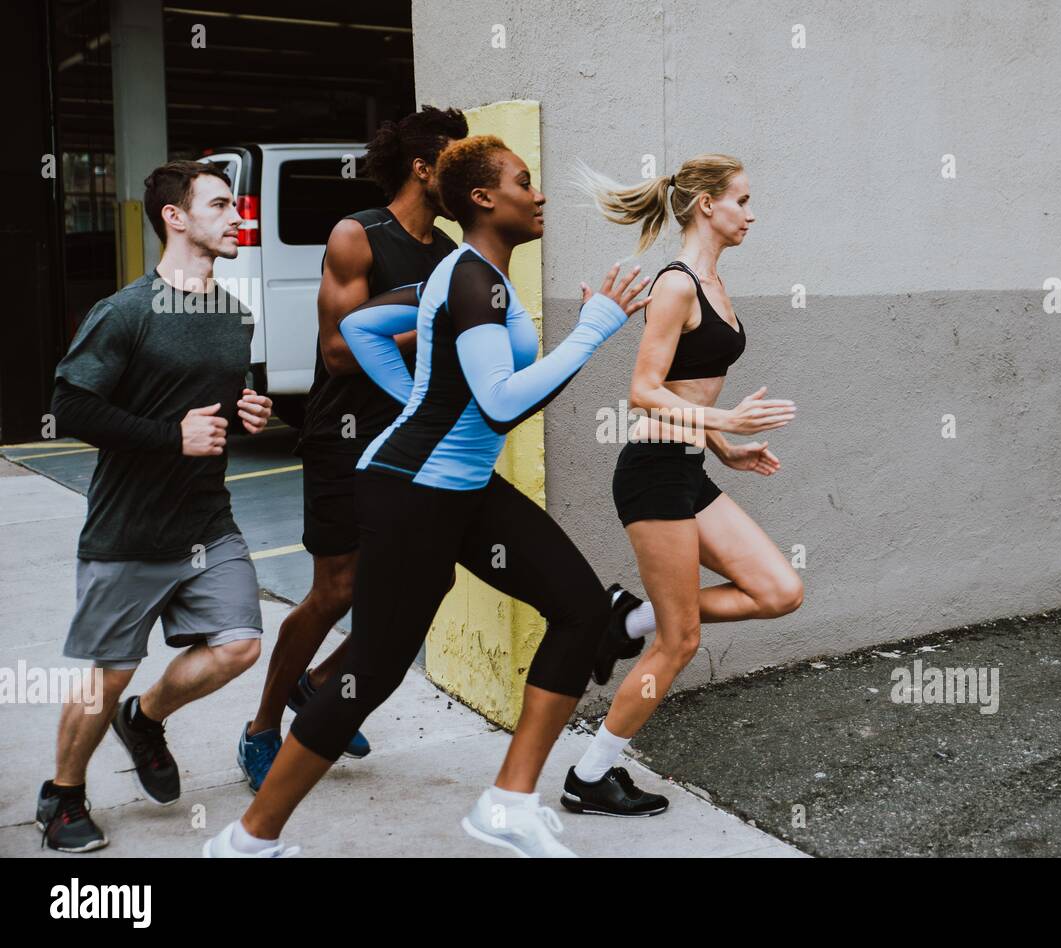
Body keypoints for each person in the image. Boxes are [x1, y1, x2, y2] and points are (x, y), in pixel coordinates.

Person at [205, 134, 662, 859]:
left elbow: (362, 325)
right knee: (372, 670)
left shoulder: (461, 273)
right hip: (413, 493)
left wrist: (415, 397)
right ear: (484, 199)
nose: (537, 194)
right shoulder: (474, 280)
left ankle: (508, 802)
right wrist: (594, 332)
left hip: (461, 485)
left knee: (580, 609)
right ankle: (246, 839)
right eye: (523, 181)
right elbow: (501, 402)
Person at [36, 160, 274, 852]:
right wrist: (171, 437)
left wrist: (245, 410)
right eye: (223, 205)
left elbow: (209, 400)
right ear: (175, 216)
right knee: (108, 672)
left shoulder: (233, 315)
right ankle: (64, 796)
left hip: (206, 520)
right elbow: (70, 406)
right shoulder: (126, 312)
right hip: (130, 527)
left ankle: (144, 720)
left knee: (239, 647)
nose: (237, 218)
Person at [560, 155, 803, 817]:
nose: (751, 214)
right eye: (743, 200)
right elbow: (642, 391)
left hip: (688, 469)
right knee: (681, 639)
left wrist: (726, 447)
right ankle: (590, 775)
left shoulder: (715, 282)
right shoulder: (677, 285)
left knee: (780, 590)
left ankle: (626, 618)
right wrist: (722, 419)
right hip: (651, 475)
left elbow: (684, 389)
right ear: (706, 206)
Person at [237, 106, 468, 790]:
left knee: (429, 579)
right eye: (457, 161)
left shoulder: (452, 254)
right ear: (424, 168)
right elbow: (339, 353)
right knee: (336, 590)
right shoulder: (357, 236)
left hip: (410, 442)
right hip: (344, 437)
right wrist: (434, 320)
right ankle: (261, 726)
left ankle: (319, 685)